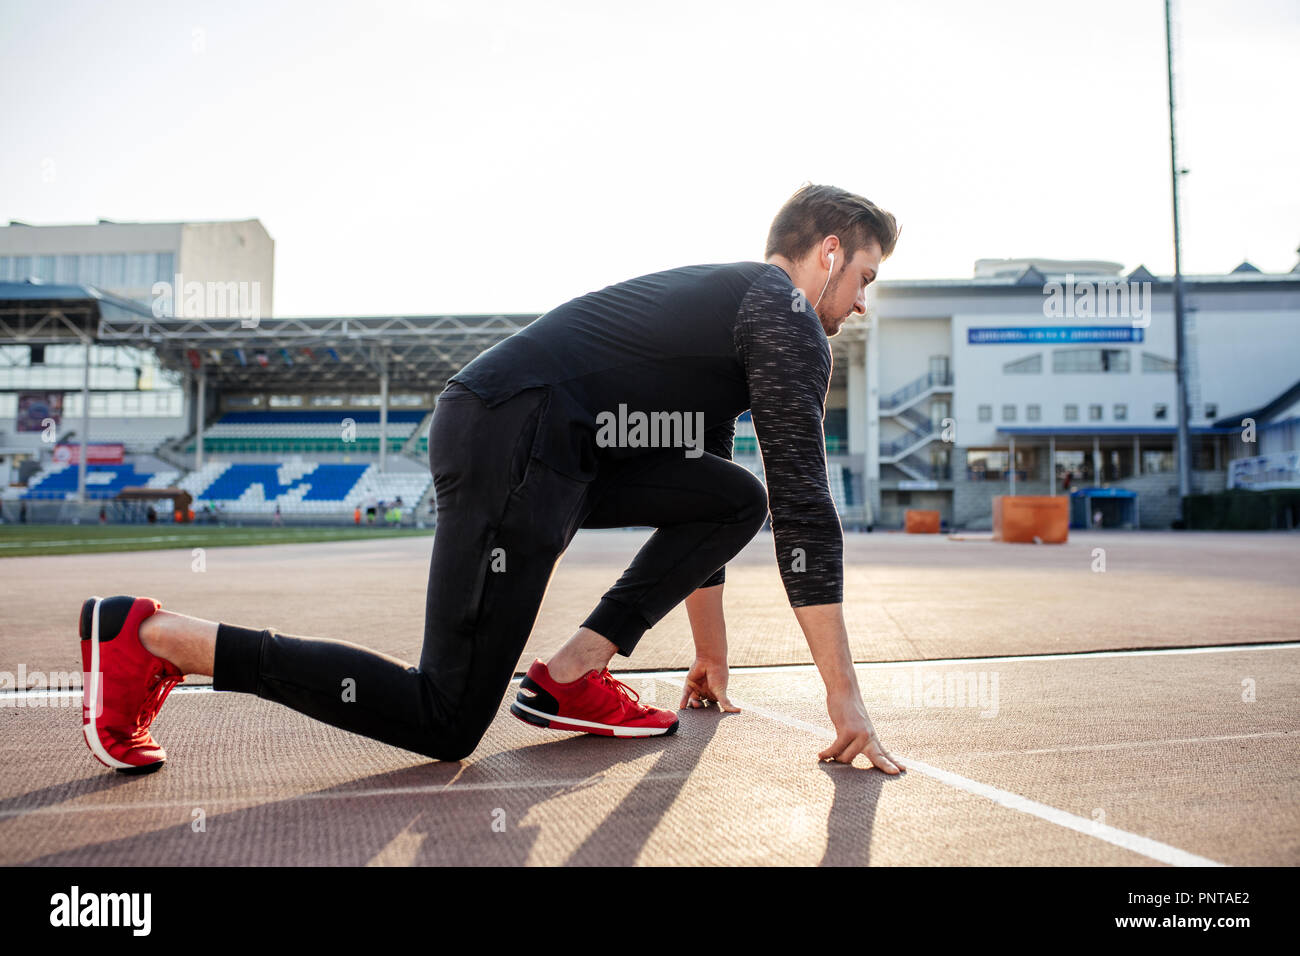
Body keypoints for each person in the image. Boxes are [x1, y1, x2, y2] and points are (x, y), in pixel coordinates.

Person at [77, 184, 906, 776]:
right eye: (865, 277)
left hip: (552, 446)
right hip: (520, 435)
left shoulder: (736, 310)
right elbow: (808, 506)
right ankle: (152, 639)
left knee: (735, 496)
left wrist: (712, 657)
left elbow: (719, 491)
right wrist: (846, 701)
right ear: (829, 254)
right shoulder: (785, 314)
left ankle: (575, 671)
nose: (860, 302)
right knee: (445, 718)